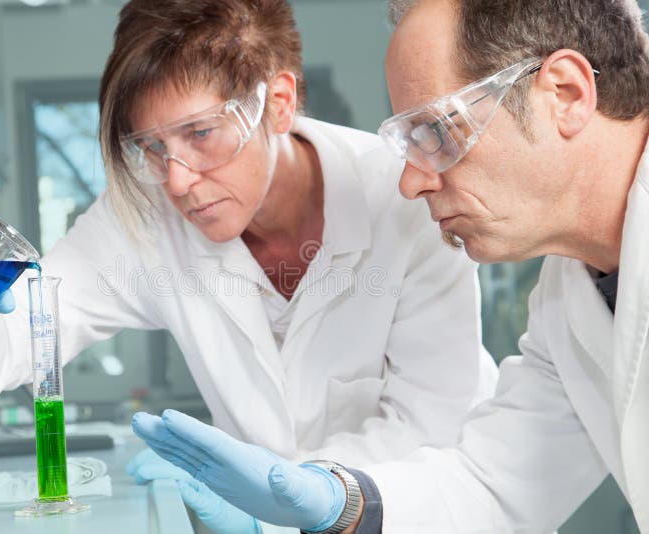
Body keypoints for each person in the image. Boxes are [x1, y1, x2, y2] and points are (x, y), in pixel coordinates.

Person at [0, 1, 498, 532]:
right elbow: (31, 330)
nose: (177, 181)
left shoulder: (408, 198)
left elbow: (430, 427)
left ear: (277, 103)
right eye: (150, 147)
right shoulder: (145, 216)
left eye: (201, 133)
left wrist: (289, 500)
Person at [131, 0, 649, 532]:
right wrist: (339, 500)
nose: (410, 182)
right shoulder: (571, 297)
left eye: (437, 133)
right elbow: (492, 483)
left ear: (565, 94)